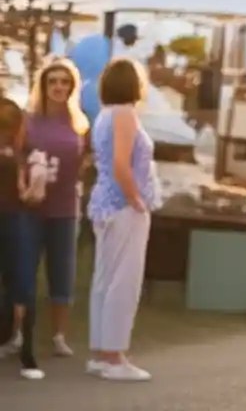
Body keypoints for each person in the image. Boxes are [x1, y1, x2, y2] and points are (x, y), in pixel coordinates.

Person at [86, 58, 157, 381]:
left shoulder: (104, 115)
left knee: (104, 278)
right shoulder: (125, 114)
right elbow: (121, 163)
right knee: (123, 280)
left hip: (103, 204)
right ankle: (114, 356)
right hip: (122, 206)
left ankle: (101, 351)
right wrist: (136, 199)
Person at [22, 58, 90, 359]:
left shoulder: (79, 124)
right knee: (23, 272)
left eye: (65, 82)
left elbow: (86, 160)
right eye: (53, 81)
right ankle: (16, 333)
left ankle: (59, 336)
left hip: (65, 209)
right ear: (43, 85)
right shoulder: (28, 121)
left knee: (62, 273)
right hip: (30, 208)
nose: (59, 87)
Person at [0, 98, 40, 379]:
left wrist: (32, 189)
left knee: (23, 285)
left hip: (17, 218)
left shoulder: (25, 152)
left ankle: (27, 352)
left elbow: (28, 191)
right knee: (16, 285)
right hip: (14, 218)